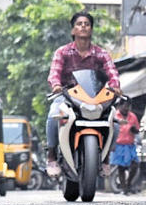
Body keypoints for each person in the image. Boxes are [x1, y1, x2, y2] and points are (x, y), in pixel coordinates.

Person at [47, 11, 121, 177]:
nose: (83, 27)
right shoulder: (62, 52)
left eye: (87, 24)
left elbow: (112, 72)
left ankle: (106, 158)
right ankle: (51, 155)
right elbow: (54, 73)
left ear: (91, 30)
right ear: (73, 30)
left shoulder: (102, 54)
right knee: (53, 114)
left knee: (114, 119)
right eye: (79, 24)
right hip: (67, 96)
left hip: (94, 98)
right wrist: (56, 85)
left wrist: (115, 86)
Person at [110, 97, 140, 195]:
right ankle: (124, 188)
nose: (127, 108)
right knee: (121, 168)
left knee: (135, 164)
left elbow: (137, 130)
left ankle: (129, 183)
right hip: (118, 145)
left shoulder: (133, 116)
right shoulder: (115, 115)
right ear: (120, 105)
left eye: (128, 106)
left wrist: (134, 130)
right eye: (125, 105)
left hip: (130, 145)